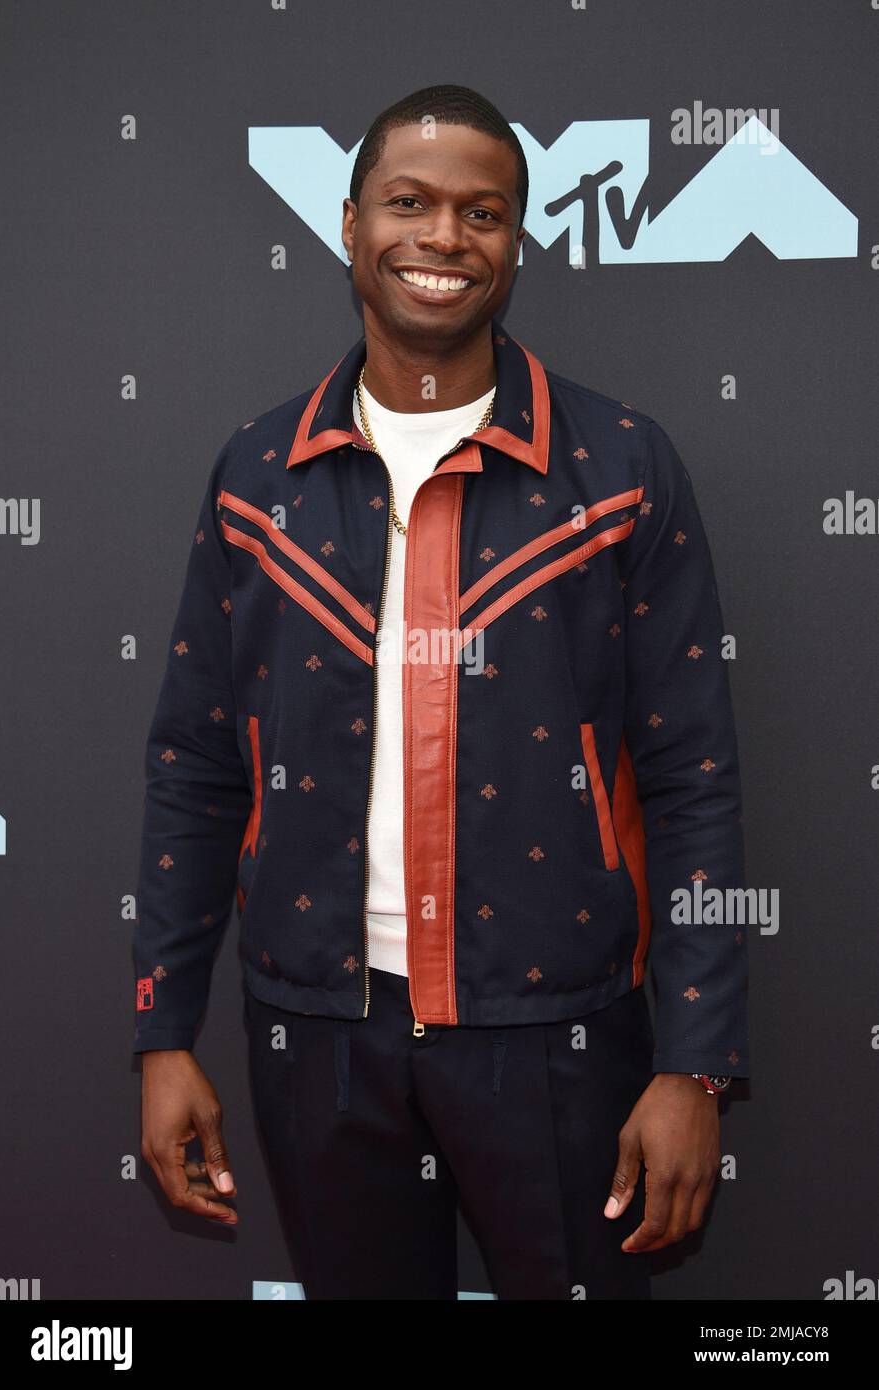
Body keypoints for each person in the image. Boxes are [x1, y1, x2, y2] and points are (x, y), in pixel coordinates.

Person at [133, 83, 749, 1301]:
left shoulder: (618, 468)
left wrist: (695, 1065)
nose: (442, 239)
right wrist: (163, 1034)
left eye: (483, 211)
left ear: (518, 241)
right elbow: (195, 767)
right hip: (315, 1031)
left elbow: (694, 779)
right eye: (408, 203)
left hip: (557, 1033)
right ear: (350, 222)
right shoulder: (259, 473)